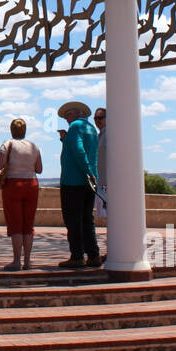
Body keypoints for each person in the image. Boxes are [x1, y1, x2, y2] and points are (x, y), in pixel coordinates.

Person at [57, 101, 100, 268]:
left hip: (72, 180)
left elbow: (78, 150)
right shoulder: (90, 128)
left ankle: (77, 256)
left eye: (68, 114)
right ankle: (93, 254)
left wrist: (87, 170)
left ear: (77, 113)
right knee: (87, 219)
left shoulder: (75, 127)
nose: (66, 118)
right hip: (88, 182)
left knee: (73, 220)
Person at [0, 118, 43, 270]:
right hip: (31, 184)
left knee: (16, 224)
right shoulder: (34, 146)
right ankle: (28, 261)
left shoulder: (7, 144)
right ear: (25, 130)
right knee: (28, 225)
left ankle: (17, 261)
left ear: (11, 130)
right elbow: (39, 169)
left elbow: (0, 165)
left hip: (13, 184)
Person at [93, 107, 107, 225]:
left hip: (108, 184)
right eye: (95, 118)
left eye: (100, 118)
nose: (97, 121)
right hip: (101, 183)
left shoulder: (110, 135)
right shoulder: (100, 136)